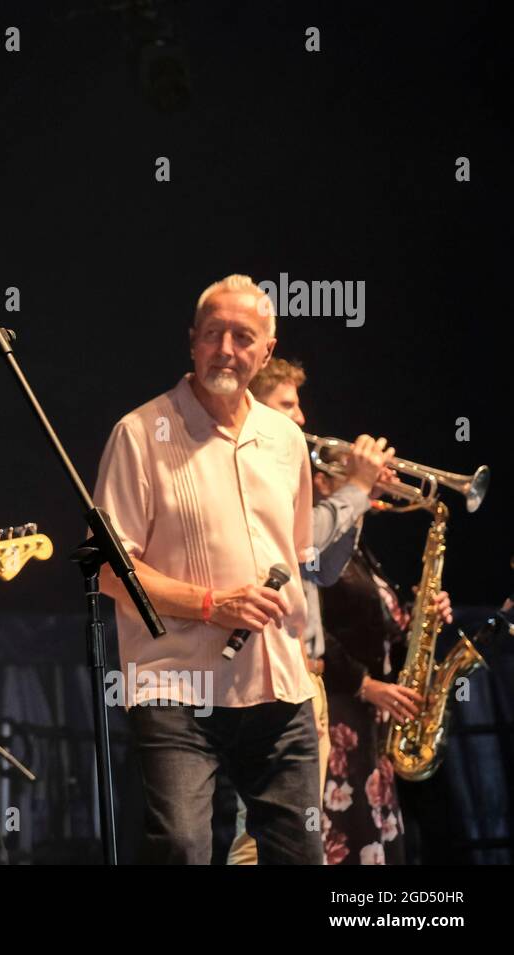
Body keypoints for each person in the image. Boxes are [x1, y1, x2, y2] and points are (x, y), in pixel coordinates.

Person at [94, 274, 322, 864]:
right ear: (192, 341)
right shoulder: (140, 433)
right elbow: (107, 570)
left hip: (277, 687)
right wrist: (210, 604)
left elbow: (293, 559)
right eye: (214, 333)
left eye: (243, 337)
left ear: (265, 352)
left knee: (300, 852)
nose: (226, 348)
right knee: (182, 848)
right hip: (177, 688)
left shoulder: (286, 441)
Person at [227, 358, 394, 864]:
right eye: (287, 406)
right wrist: (356, 491)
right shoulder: (252, 471)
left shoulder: (294, 474)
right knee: (257, 841)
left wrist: (358, 500)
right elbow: (300, 549)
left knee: (300, 845)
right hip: (266, 676)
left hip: (306, 681)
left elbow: (321, 568)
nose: (301, 419)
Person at [313, 447, 451, 864]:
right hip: (341, 715)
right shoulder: (317, 550)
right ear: (323, 481)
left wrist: (424, 616)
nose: (376, 481)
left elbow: (381, 632)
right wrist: (365, 684)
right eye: (361, 473)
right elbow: (309, 630)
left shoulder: (358, 552)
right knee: (345, 839)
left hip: (372, 725)